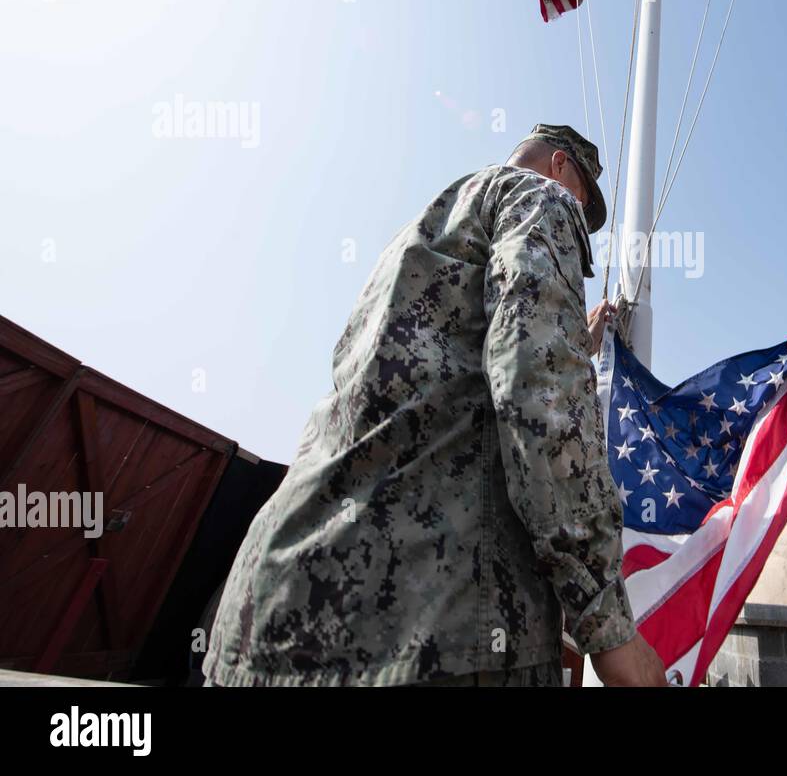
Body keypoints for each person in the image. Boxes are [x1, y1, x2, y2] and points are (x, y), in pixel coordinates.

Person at [203, 123, 664, 687]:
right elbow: (540, 394)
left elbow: (448, 369)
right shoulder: (539, 198)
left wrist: (579, 338)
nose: (577, 211)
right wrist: (608, 626)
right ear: (561, 167)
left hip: (273, 614)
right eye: (584, 202)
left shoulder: (420, 235)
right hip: (434, 630)